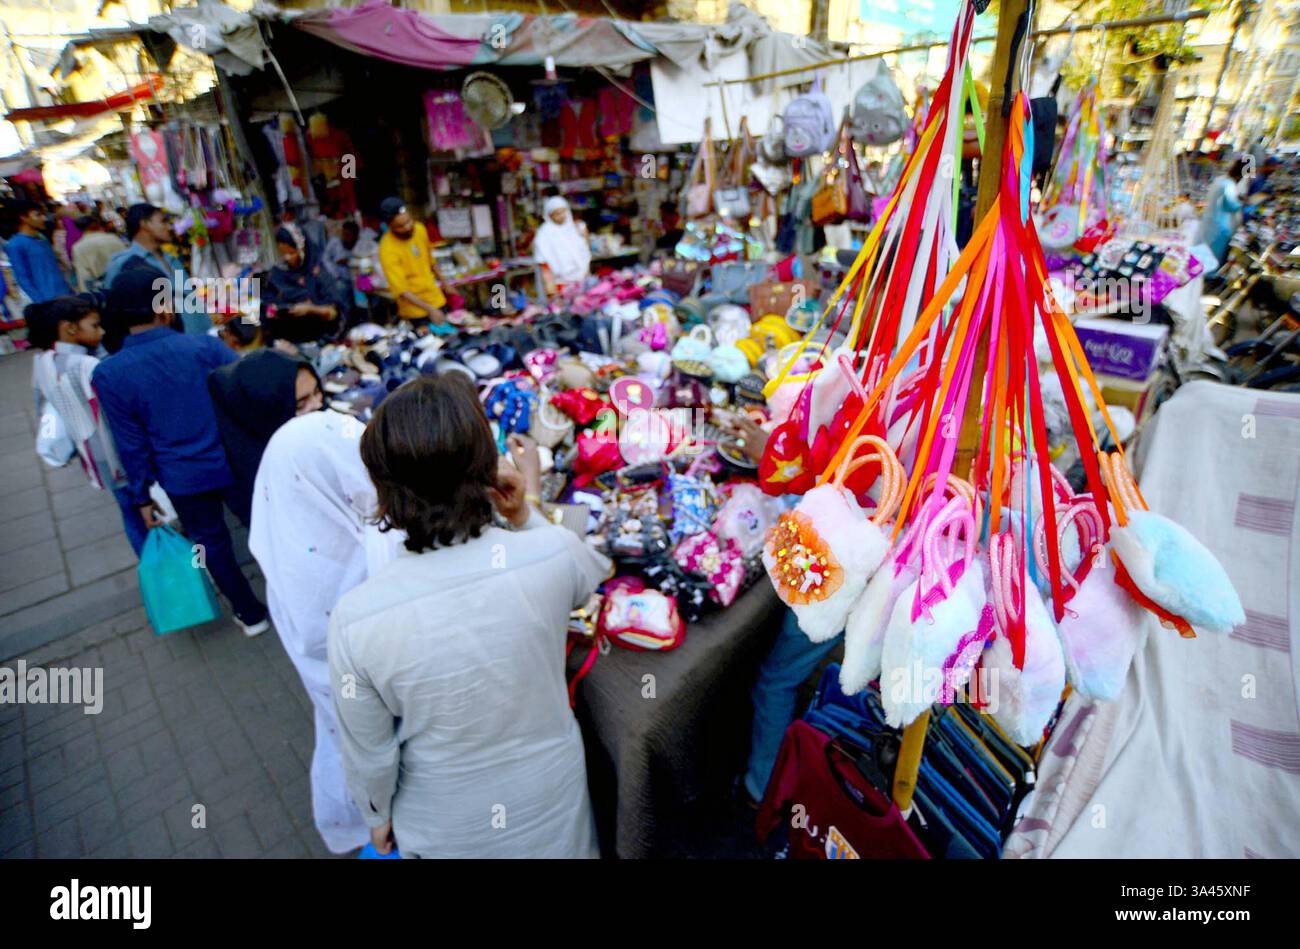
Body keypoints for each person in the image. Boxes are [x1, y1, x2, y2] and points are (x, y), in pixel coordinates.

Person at [328, 375, 609, 858]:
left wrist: (376, 815)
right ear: (487, 464)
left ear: (383, 488)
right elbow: (589, 576)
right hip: (553, 800)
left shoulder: (355, 620)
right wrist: (525, 516)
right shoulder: (551, 553)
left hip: (446, 821)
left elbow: (369, 752)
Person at [249, 409, 401, 853]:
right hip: (371, 697)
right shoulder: (353, 547)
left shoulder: (285, 528)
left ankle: (360, 820)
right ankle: (378, 819)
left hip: (337, 688)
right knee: (368, 742)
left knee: (342, 736)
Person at [91, 267, 270, 637]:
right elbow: (246, 390)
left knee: (210, 544)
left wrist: (141, 496)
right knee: (264, 528)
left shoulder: (109, 373)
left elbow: (130, 443)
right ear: (165, 308)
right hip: (233, 462)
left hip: (180, 476)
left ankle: (249, 613)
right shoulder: (202, 347)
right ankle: (292, 595)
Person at [716, 411, 845, 806]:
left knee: (776, 680)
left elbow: (835, 498)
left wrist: (773, 456)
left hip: (832, 565)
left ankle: (761, 790)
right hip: (830, 556)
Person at [27, 294, 146, 555]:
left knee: (129, 514)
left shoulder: (43, 362)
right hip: (119, 455)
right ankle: (167, 564)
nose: (101, 331)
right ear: (70, 328)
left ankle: (149, 565)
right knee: (144, 510)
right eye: (94, 325)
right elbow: (118, 412)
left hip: (92, 455)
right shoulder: (87, 365)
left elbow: (43, 407)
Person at [208, 348, 323, 527]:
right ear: (270, 409)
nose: (318, 404)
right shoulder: (254, 469)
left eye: (317, 392)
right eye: (301, 404)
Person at [103, 203, 211, 335]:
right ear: (144, 224)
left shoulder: (171, 259)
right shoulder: (123, 264)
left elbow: (191, 300)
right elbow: (114, 314)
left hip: (199, 337)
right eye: (163, 222)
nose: (169, 227)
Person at [260, 223, 346, 343]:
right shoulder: (278, 273)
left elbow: (333, 312)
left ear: (302, 250)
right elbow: (267, 303)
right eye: (283, 253)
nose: (287, 258)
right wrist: (275, 311)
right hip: (289, 340)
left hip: (319, 338)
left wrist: (310, 309)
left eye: (291, 253)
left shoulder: (318, 271)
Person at [376, 197, 448, 329]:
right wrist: (430, 309)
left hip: (437, 299)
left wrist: (446, 285)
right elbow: (402, 291)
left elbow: (431, 261)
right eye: (401, 226)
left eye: (409, 221)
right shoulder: (387, 249)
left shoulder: (419, 229)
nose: (408, 227)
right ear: (389, 226)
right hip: (417, 312)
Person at [6, 200, 72, 304]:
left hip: (65, 292)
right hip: (48, 300)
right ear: (23, 218)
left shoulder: (42, 238)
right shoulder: (15, 245)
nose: (44, 218)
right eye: (38, 215)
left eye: (43, 214)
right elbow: (22, 278)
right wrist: (41, 303)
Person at [1200, 156, 1248, 269]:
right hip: (1220, 226)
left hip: (1209, 221)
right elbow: (1231, 205)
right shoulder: (1229, 185)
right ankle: (1209, 279)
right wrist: (1243, 203)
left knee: (1205, 253)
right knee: (1214, 256)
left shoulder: (1220, 180)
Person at [534, 196, 591, 291]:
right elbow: (543, 262)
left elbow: (585, 252)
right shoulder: (544, 233)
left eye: (563, 212)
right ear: (549, 215)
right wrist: (550, 289)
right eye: (557, 213)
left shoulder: (574, 228)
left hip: (581, 278)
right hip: (559, 282)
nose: (561, 216)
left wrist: (587, 272)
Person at [71, 215, 127, 291]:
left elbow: (84, 276)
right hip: (124, 283)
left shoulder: (78, 247)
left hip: (103, 289)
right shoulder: (113, 238)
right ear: (97, 225)